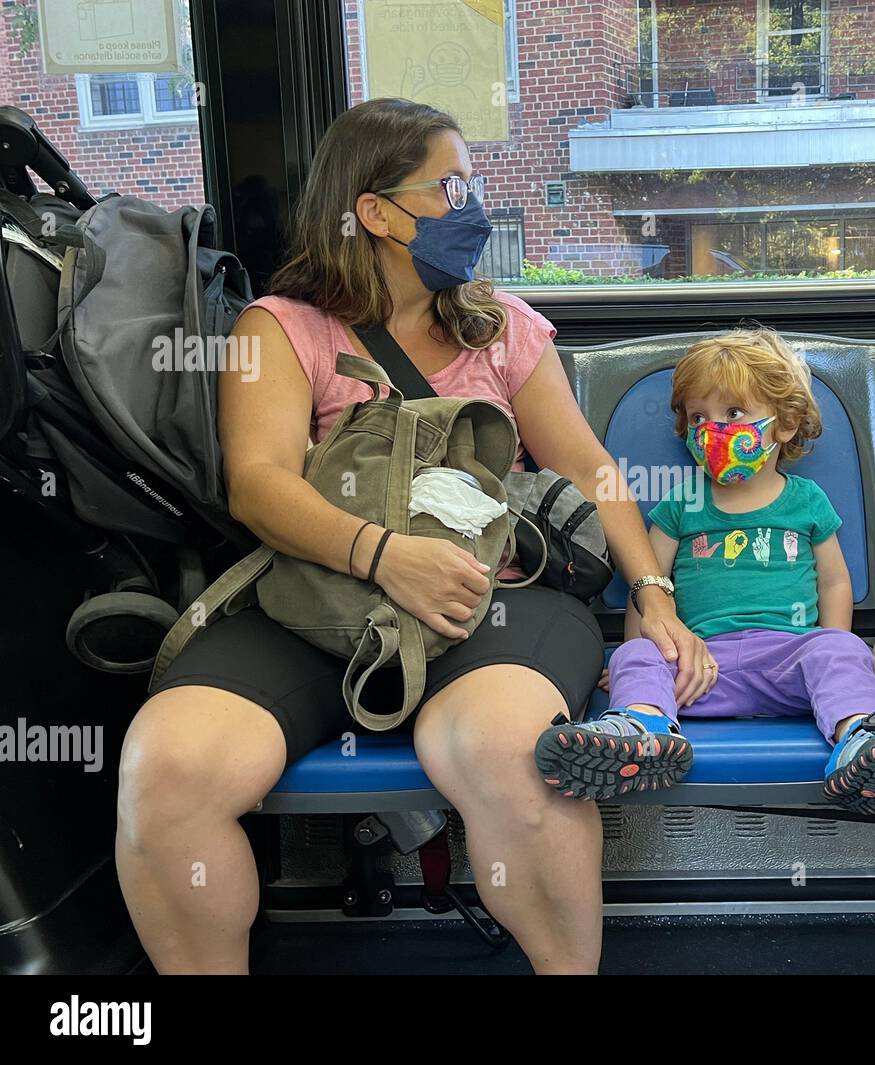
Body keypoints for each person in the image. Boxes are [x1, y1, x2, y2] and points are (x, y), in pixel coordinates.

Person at [116, 98, 706, 974]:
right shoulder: (281, 330)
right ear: (376, 211)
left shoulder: (499, 326)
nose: (470, 204)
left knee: (509, 750)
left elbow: (590, 468)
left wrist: (653, 595)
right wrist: (384, 555)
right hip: (328, 602)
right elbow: (260, 483)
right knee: (166, 770)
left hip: (491, 598)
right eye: (450, 185)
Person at [534, 328, 875, 812]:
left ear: (783, 425)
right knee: (631, 658)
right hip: (697, 668)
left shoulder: (806, 501)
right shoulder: (683, 502)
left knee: (842, 649)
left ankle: (861, 741)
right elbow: (650, 587)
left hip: (787, 660)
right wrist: (642, 652)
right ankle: (643, 727)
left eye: (734, 414)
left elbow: (834, 581)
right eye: (699, 417)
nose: (712, 430)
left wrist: (832, 645)